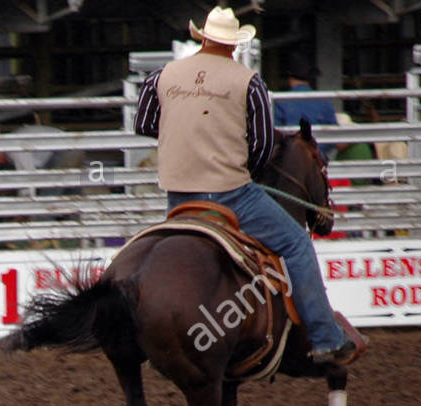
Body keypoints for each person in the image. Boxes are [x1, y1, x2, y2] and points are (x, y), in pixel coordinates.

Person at [133, 6, 358, 365]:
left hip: (178, 198)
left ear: (202, 38)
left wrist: (184, 132)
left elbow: (143, 123)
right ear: (234, 45)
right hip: (230, 195)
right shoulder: (248, 82)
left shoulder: (161, 76)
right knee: (296, 243)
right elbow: (263, 146)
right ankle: (325, 337)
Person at [273, 53, 338, 133]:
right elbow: (334, 134)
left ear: (290, 79)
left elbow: (275, 132)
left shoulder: (281, 102)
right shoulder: (324, 101)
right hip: (318, 144)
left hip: (292, 144)